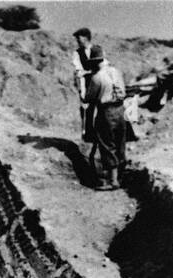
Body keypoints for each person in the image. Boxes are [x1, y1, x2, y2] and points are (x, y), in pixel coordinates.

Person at [83, 44, 126, 190]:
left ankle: (112, 181)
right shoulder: (117, 71)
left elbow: (88, 98)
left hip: (106, 112)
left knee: (107, 144)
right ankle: (121, 176)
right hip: (120, 110)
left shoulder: (97, 78)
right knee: (120, 142)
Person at [70, 27, 94, 143]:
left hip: (98, 83)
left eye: (78, 38)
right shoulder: (77, 53)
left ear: (85, 38)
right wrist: (81, 91)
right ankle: (88, 135)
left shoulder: (97, 50)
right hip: (87, 84)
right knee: (86, 109)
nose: (77, 41)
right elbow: (79, 72)